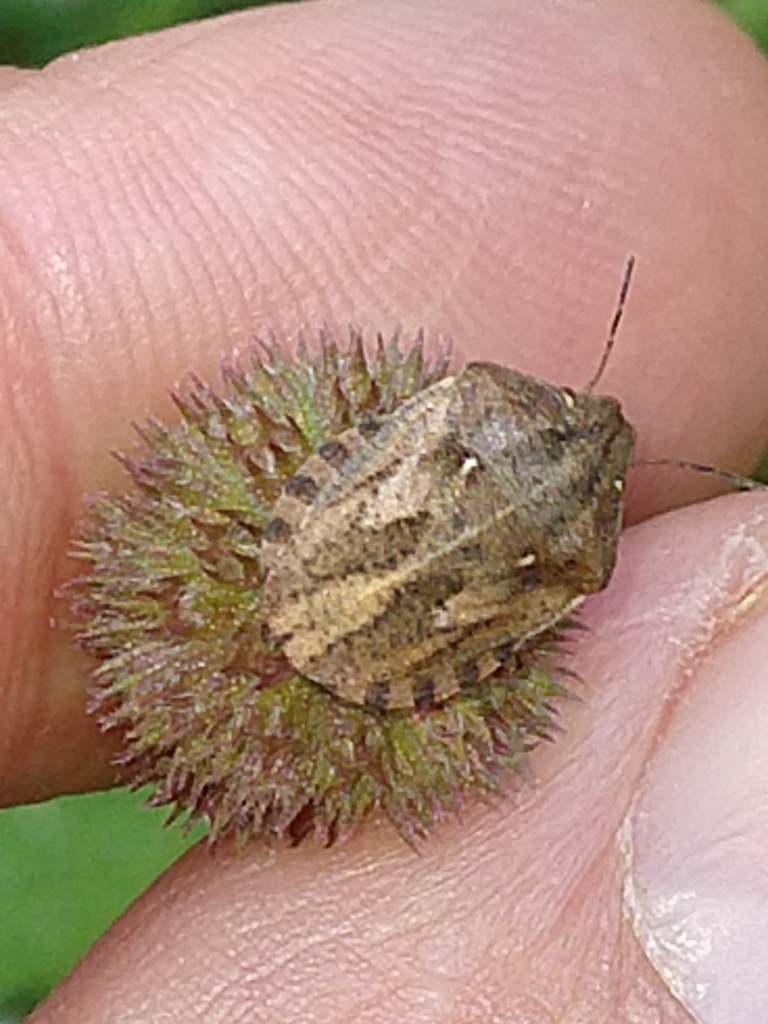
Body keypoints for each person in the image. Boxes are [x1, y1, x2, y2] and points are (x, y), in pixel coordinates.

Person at [3, 1, 768, 1021]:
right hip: (415, 625)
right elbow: (513, 629)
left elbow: (389, 425)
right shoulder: (577, 561)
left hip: (349, 523)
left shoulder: (471, 405)